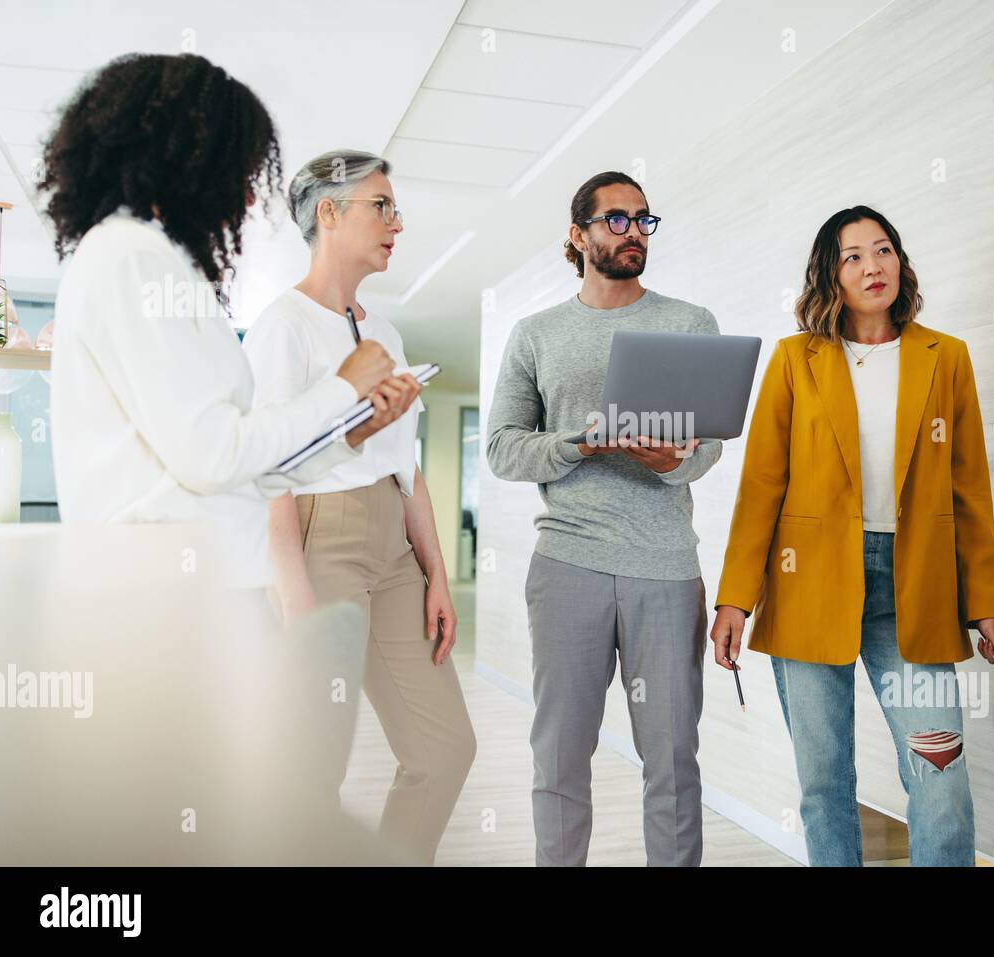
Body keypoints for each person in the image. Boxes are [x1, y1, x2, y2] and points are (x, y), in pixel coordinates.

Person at [43, 53, 418, 607]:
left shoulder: (153, 260)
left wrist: (347, 438)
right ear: (189, 159)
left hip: (190, 591)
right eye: (241, 170)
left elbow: (234, 469)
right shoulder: (132, 257)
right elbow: (214, 457)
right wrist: (344, 386)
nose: (247, 195)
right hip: (160, 598)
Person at [712, 206, 994, 867]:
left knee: (940, 772)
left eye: (883, 250)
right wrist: (735, 597)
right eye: (852, 256)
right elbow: (761, 485)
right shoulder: (797, 360)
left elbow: (971, 489)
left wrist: (986, 601)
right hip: (808, 585)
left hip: (918, 589)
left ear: (901, 264)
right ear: (831, 274)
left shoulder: (946, 357)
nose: (872, 265)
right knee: (824, 782)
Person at [242, 150, 475, 866]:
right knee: (315, 768)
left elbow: (405, 464)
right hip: (322, 536)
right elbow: (270, 470)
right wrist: (295, 596)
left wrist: (436, 571)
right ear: (330, 213)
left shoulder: (391, 336)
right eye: (382, 206)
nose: (396, 223)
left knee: (445, 749)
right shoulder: (282, 324)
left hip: (395, 545)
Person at [485, 171, 721, 866]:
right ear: (577, 234)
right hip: (568, 567)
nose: (633, 233)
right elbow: (503, 447)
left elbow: (703, 448)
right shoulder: (536, 334)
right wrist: (580, 441)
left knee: (673, 763)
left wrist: (665, 461)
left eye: (644, 221)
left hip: (667, 568)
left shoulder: (690, 323)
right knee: (559, 758)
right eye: (616, 220)